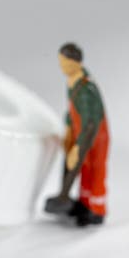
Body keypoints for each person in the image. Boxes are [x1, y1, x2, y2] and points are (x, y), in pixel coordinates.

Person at [46, 43, 110, 226]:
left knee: (95, 171)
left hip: (95, 136)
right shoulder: (72, 82)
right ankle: (84, 203)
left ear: (75, 63)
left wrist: (79, 147)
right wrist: (68, 128)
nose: (62, 67)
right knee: (84, 169)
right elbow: (72, 110)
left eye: (64, 62)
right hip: (80, 131)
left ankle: (96, 211)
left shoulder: (86, 90)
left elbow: (91, 122)